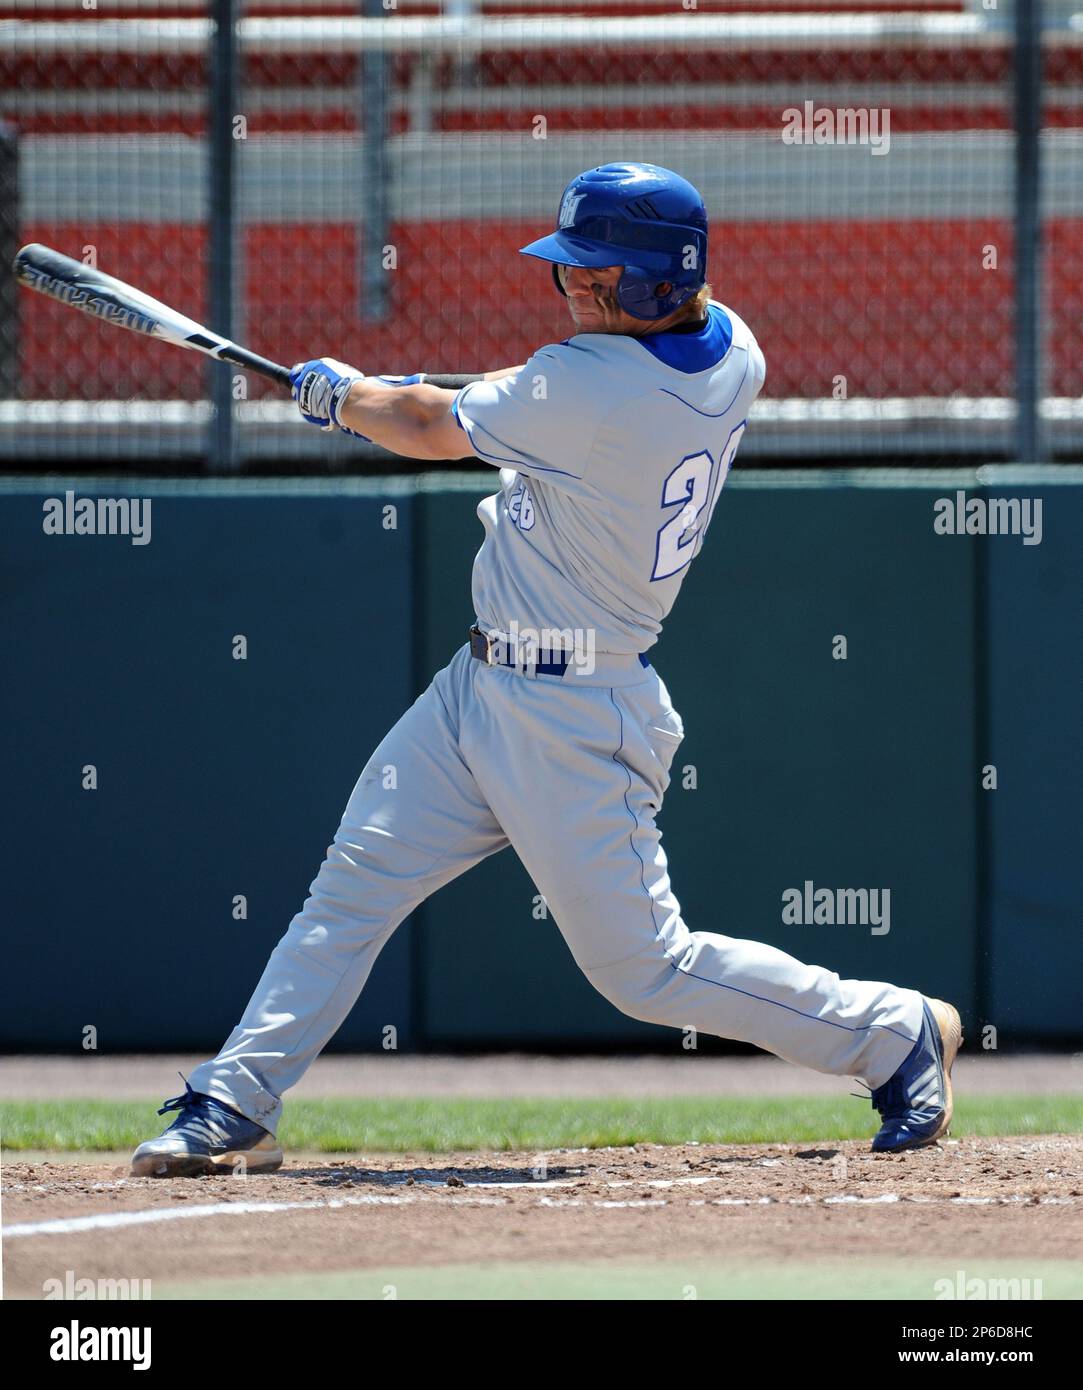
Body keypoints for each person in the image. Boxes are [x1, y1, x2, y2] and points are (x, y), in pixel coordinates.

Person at [131, 163, 961, 1178]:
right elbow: (542, 394)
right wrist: (430, 393)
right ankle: (234, 1098)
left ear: (656, 280)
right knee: (351, 885)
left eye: (596, 272)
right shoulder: (729, 345)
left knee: (645, 970)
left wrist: (343, 397)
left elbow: (434, 427)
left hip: (578, 709)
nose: (570, 286)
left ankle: (891, 1031)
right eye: (568, 265)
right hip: (477, 689)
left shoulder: (587, 388)